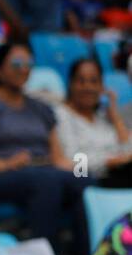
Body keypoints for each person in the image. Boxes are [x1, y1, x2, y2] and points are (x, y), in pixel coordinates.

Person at [0, 40, 92, 255]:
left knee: (83, 180)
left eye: (28, 63)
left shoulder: (40, 108)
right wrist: (3, 165)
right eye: (16, 63)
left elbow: (57, 158)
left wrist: (80, 171)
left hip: (40, 172)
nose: (23, 69)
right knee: (45, 180)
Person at [55, 57, 132, 187]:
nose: (88, 87)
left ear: (102, 87)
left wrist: (115, 117)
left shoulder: (102, 117)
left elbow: (127, 150)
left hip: (120, 174)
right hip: (89, 181)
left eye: (94, 81)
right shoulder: (61, 115)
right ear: (70, 84)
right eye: (81, 81)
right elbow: (71, 161)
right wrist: (107, 162)